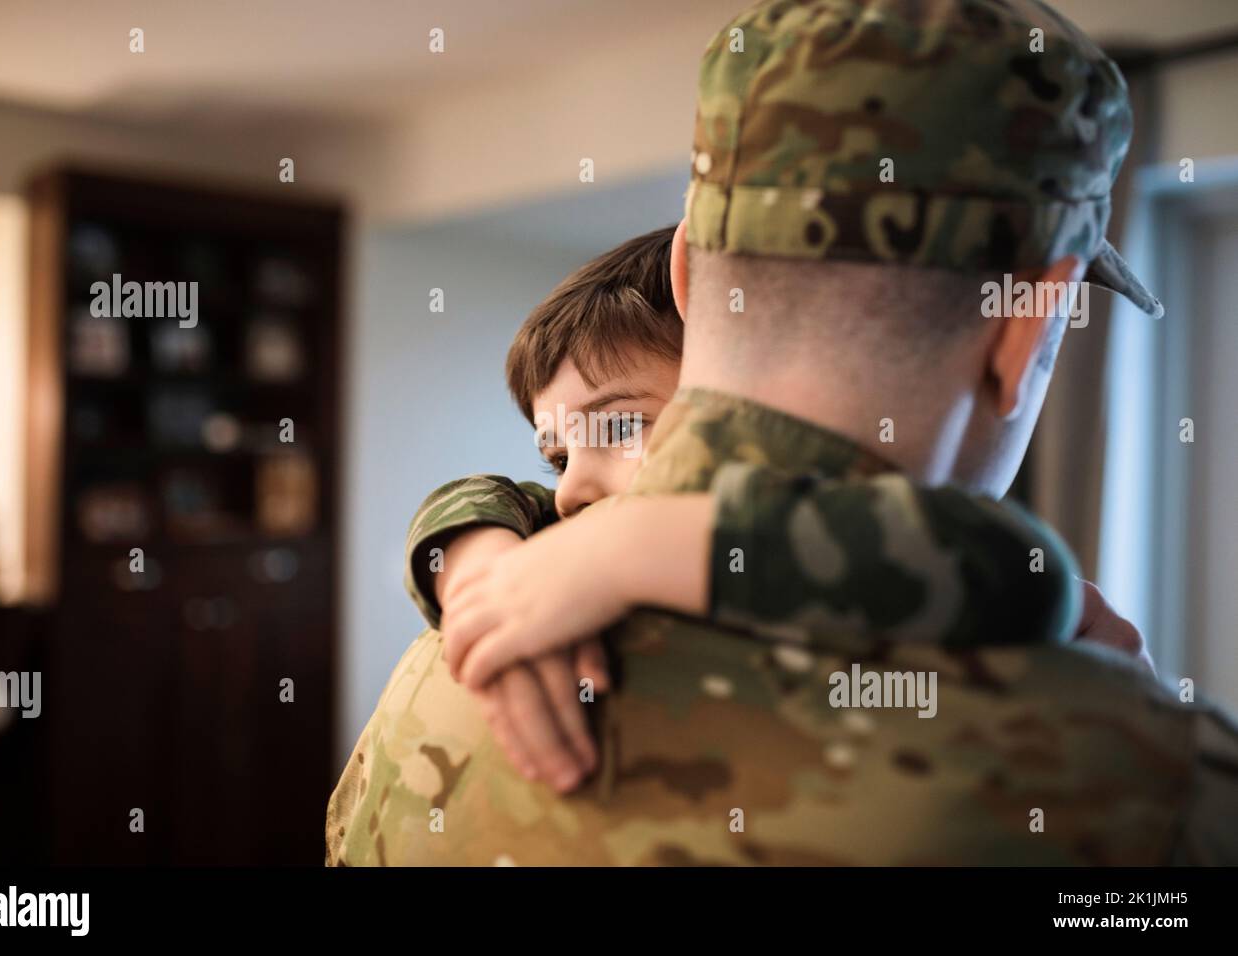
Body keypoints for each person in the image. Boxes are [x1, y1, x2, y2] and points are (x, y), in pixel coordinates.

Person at [328, 0, 1238, 866]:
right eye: (562, 454)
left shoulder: (448, 674)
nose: (572, 489)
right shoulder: (1145, 784)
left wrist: (483, 562)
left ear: (686, 274)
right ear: (1029, 325)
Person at [395, 224, 1146, 795]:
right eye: (557, 455)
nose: (568, 488)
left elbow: (989, 565)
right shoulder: (561, 569)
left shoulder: (845, 547)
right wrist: (476, 568)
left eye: (622, 426)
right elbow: (487, 499)